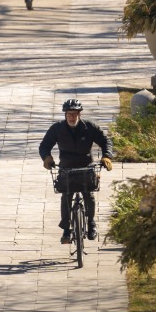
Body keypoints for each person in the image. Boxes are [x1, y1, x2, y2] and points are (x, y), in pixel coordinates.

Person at [39, 99, 114, 243]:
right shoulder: (57, 128)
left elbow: (105, 141)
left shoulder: (89, 127)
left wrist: (107, 156)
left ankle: (91, 223)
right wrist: (47, 157)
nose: (72, 117)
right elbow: (44, 145)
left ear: (79, 114)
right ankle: (67, 230)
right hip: (66, 167)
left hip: (86, 166)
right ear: (65, 115)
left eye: (75, 114)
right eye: (69, 114)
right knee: (66, 196)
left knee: (89, 195)